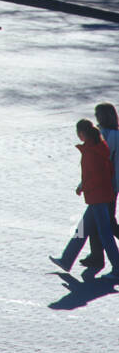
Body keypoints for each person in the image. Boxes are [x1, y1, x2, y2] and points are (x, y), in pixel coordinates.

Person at [51, 119, 119, 278]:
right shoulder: (100, 147)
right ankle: (67, 259)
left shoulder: (90, 152)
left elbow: (92, 176)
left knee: (105, 233)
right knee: (82, 229)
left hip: (97, 196)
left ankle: (117, 267)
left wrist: (84, 187)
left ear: (81, 134)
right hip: (102, 194)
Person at [89, 103, 119, 269]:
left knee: (106, 223)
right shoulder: (105, 132)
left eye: (99, 114)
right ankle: (96, 256)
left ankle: (97, 257)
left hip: (107, 185)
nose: (96, 117)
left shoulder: (111, 135)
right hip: (104, 184)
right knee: (99, 221)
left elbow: (105, 160)